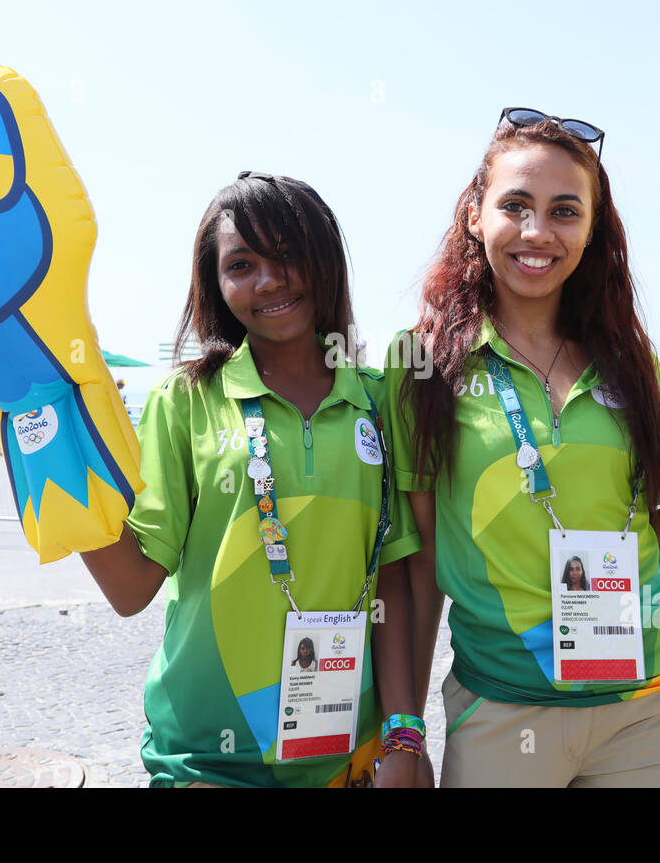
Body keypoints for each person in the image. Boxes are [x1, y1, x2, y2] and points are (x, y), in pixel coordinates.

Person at [388, 108, 660, 788]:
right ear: (476, 214)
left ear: (592, 229)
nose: (538, 232)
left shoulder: (631, 359)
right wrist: (404, 733)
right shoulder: (419, 362)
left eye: (565, 210)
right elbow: (420, 570)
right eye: (515, 206)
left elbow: (655, 528)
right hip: (505, 707)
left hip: (653, 706)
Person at [76, 173, 423, 787]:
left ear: (327, 261)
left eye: (288, 254)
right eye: (241, 264)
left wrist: (403, 739)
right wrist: (52, 463)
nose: (268, 280)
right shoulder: (183, 400)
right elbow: (131, 589)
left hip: (350, 756)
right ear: (215, 283)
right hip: (207, 758)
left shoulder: (378, 400)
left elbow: (390, 577)